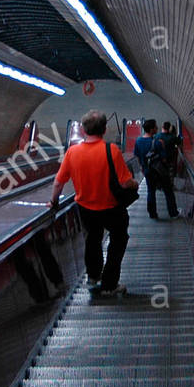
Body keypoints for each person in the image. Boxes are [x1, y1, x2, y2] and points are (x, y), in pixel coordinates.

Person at [49, 109, 138, 297]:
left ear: (83, 130)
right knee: (118, 242)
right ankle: (109, 285)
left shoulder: (72, 152)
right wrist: (134, 183)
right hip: (112, 208)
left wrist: (53, 202)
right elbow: (124, 182)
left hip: (86, 208)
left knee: (93, 240)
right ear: (104, 130)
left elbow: (58, 182)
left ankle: (93, 276)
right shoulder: (111, 150)